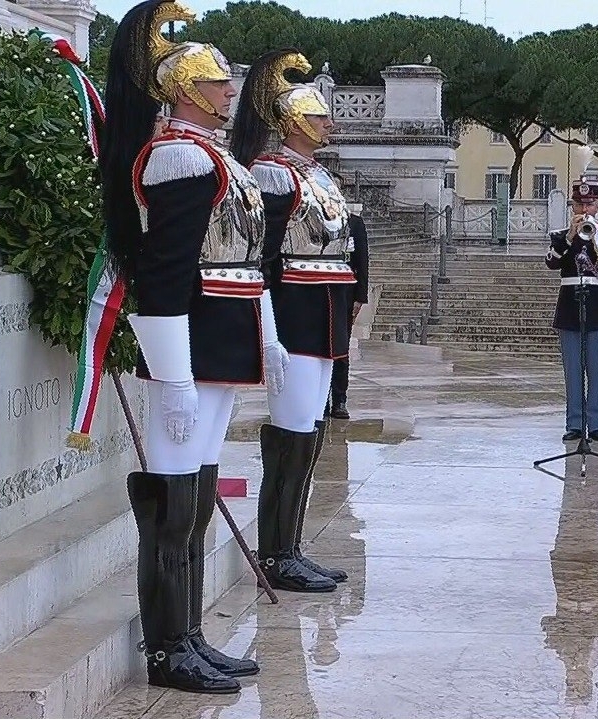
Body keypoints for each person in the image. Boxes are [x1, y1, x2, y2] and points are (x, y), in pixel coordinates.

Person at [100, 0, 283, 692]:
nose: (228, 91)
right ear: (183, 90)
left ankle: (191, 634)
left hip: (218, 340)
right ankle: (166, 649)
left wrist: (265, 336)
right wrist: (171, 375)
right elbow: (166, 272)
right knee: (172, 501)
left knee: (198, 493)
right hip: (189, 343)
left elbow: (242, 259)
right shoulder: (177, 155)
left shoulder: (210, 155)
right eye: (214, 82)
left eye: (228, 81)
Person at [230, 48, 354, 593]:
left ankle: (292, 545)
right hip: (295, 310)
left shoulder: (317, 173)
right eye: (320, 115)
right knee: (291, 431)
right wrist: (268, 329)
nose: (330, 122)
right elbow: (264, 253)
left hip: (324, 311)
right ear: (297, 121)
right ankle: (276, 554)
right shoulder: (273, 174)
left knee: (311, 431)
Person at [545, 171, 598, 442]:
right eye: (579, 205)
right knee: (573, 370)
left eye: (589, 205)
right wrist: (570, 237)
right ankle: (574, 423)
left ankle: (597, 423)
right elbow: (552, 262)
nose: (584, 209)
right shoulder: (559, 236)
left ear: (597, 206)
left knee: (597, 370)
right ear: (572, 207)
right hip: (569, 306)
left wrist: (595, 235)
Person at [328, 203, 369, 419]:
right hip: (319, 293)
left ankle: (339, 399)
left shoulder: (354, 223)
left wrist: (360, 297)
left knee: (341, 348)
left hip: (345, 294)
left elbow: (362, 261)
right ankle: (321, 399)